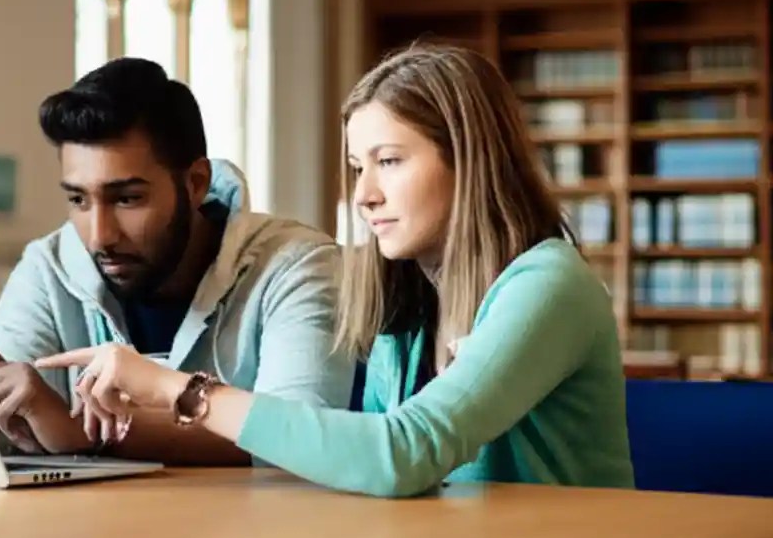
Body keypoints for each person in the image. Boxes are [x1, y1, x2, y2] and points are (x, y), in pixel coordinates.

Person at [34, 44, 635, 497]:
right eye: (357, 168)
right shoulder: (405, 305)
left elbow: (402, 455)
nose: (365, 194)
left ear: (469, 162)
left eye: (390, 161)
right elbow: (361, 471)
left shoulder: (548, 284)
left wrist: (172, 388)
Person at [0, 57, 354, 464]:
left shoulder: (297, 266)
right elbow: (5, 414)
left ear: (196, 184)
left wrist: (83, 432)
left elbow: (304, 437)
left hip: (257, 528)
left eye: (128, 198)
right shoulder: (50, 265)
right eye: (79, 199)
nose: (99, 236)